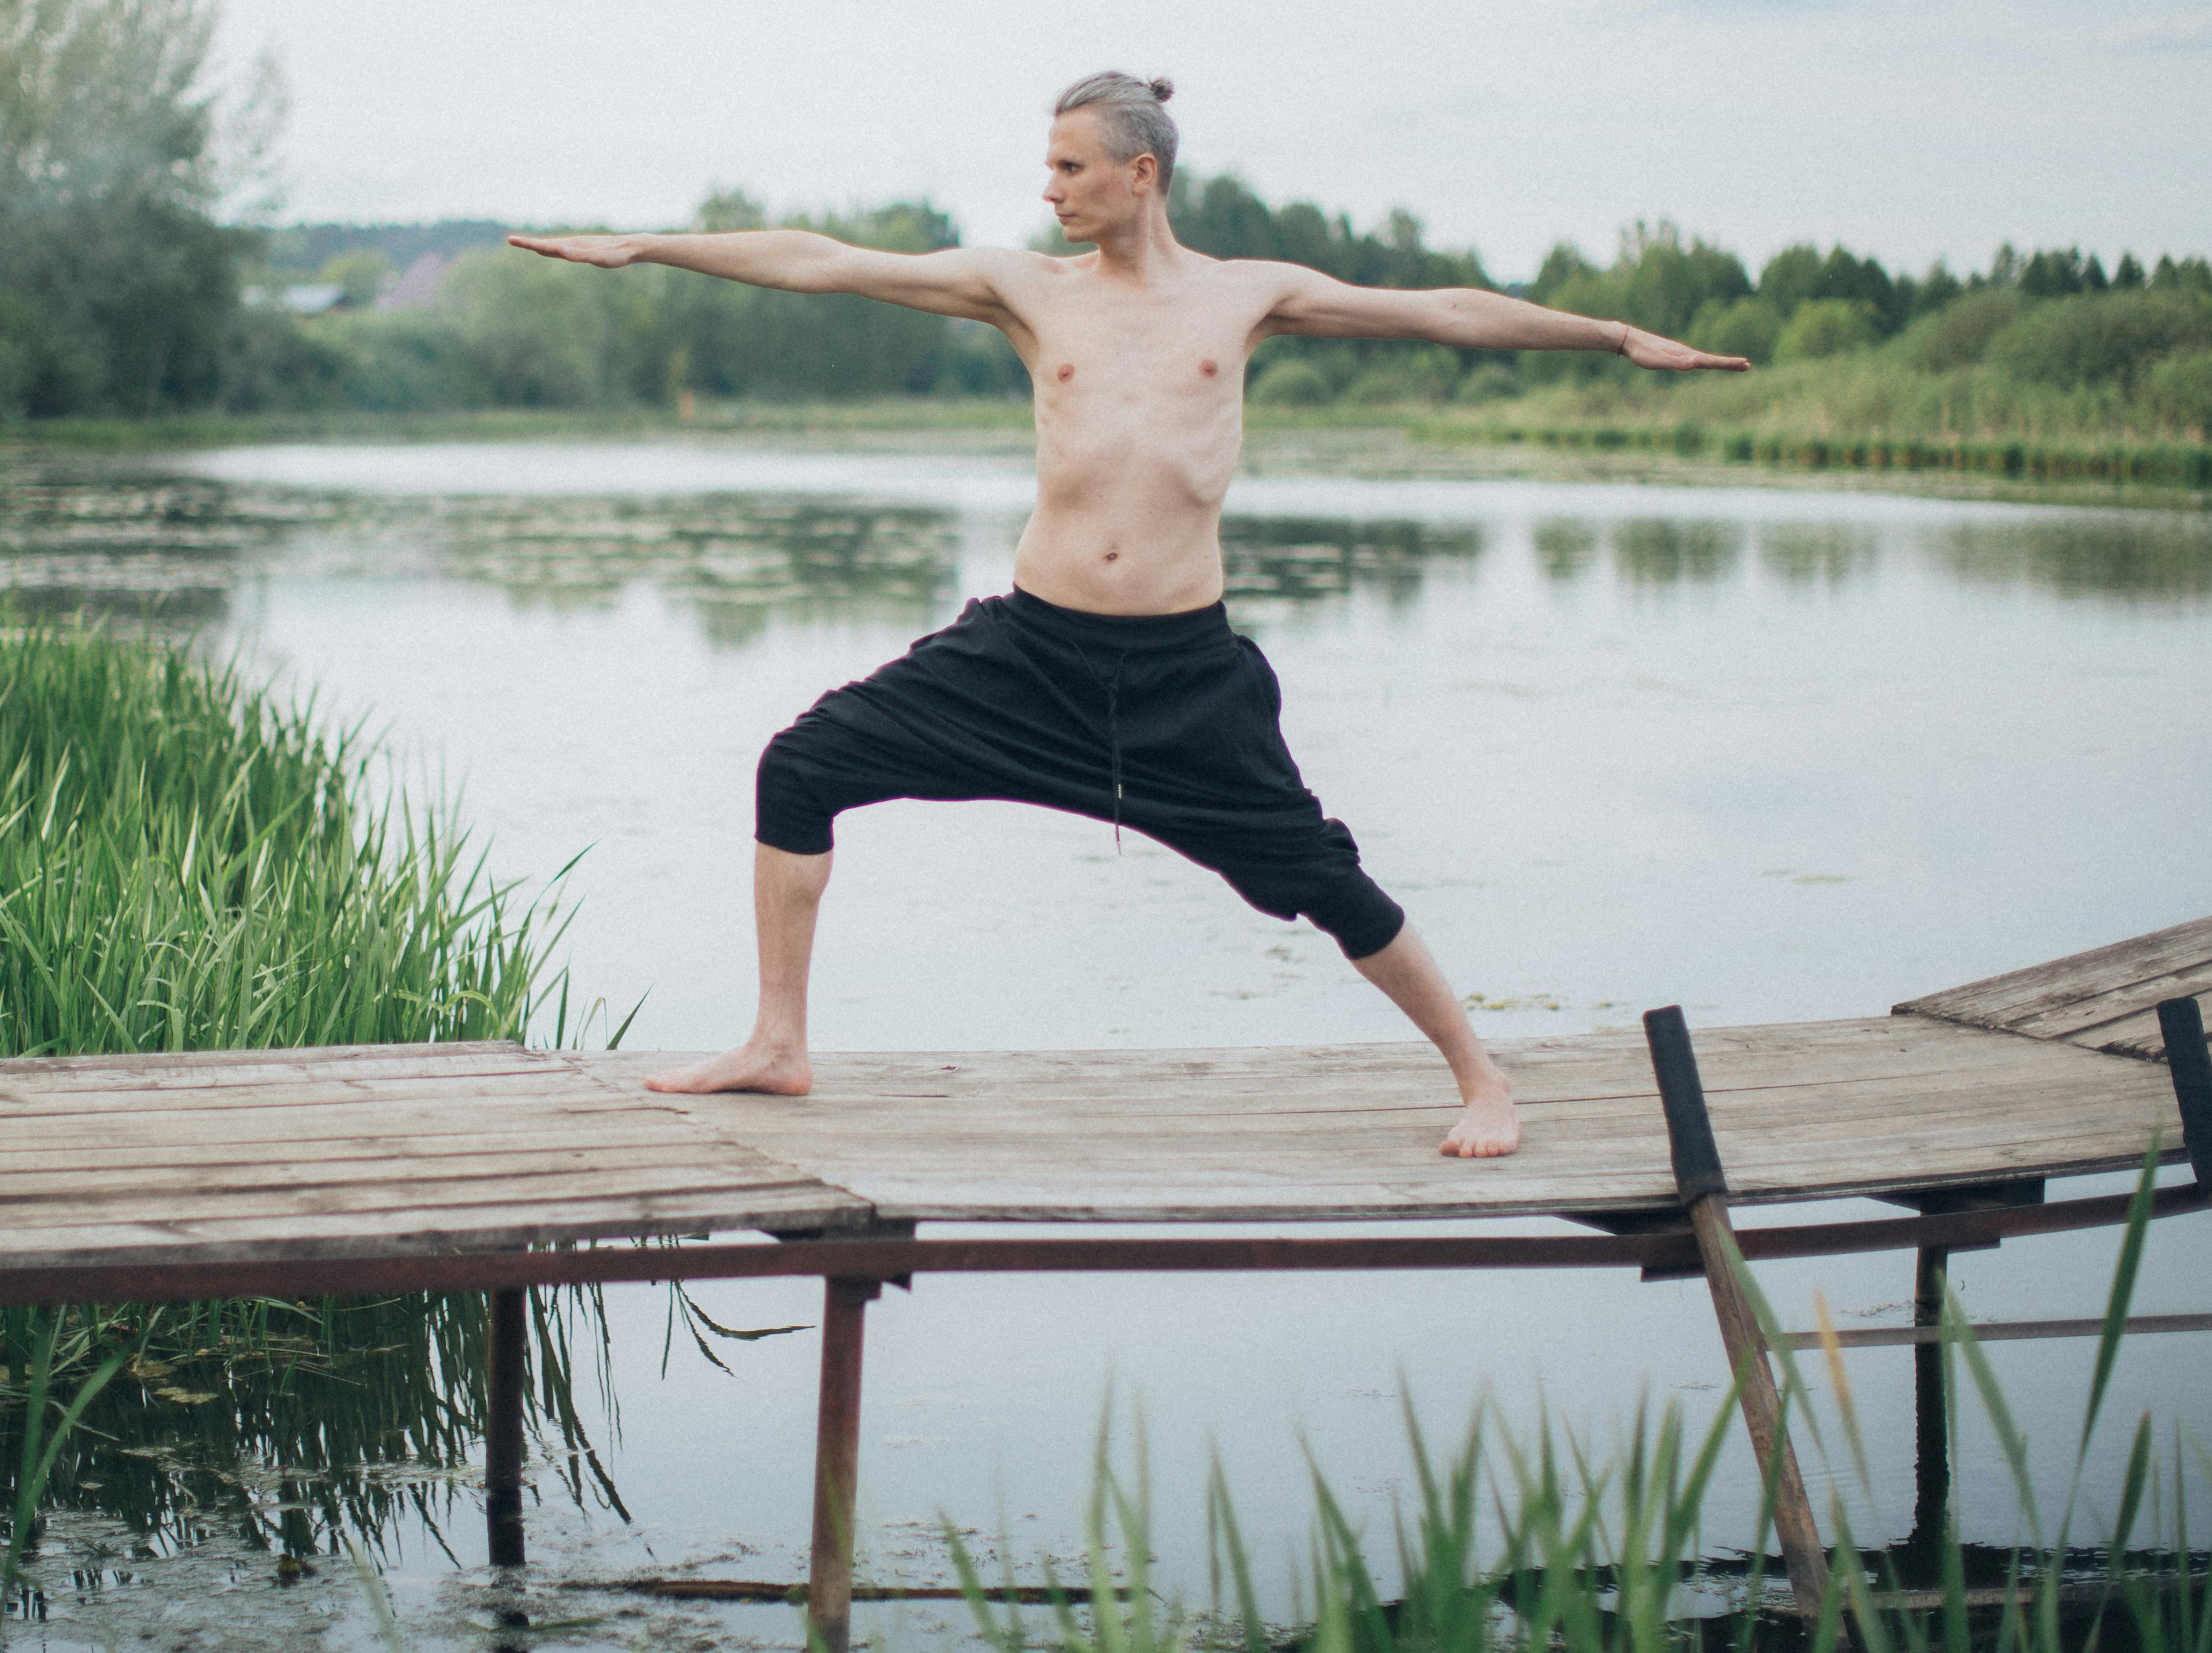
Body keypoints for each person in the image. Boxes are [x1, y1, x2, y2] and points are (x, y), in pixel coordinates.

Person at [509, 72, 1747, 1158]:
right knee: (801, 766)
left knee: (1323, 877)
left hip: (1181, 676)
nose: (1048, 189)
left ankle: (1482, 1075)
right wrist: (647, 247)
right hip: (1027, 652)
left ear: (1138, 173)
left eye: (1069, 167)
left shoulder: (1248, 296)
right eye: (1048, 167)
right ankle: (779, 1041)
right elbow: (823, 260)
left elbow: (1448, 311)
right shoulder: (1024, 290)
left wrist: (1610, 335)